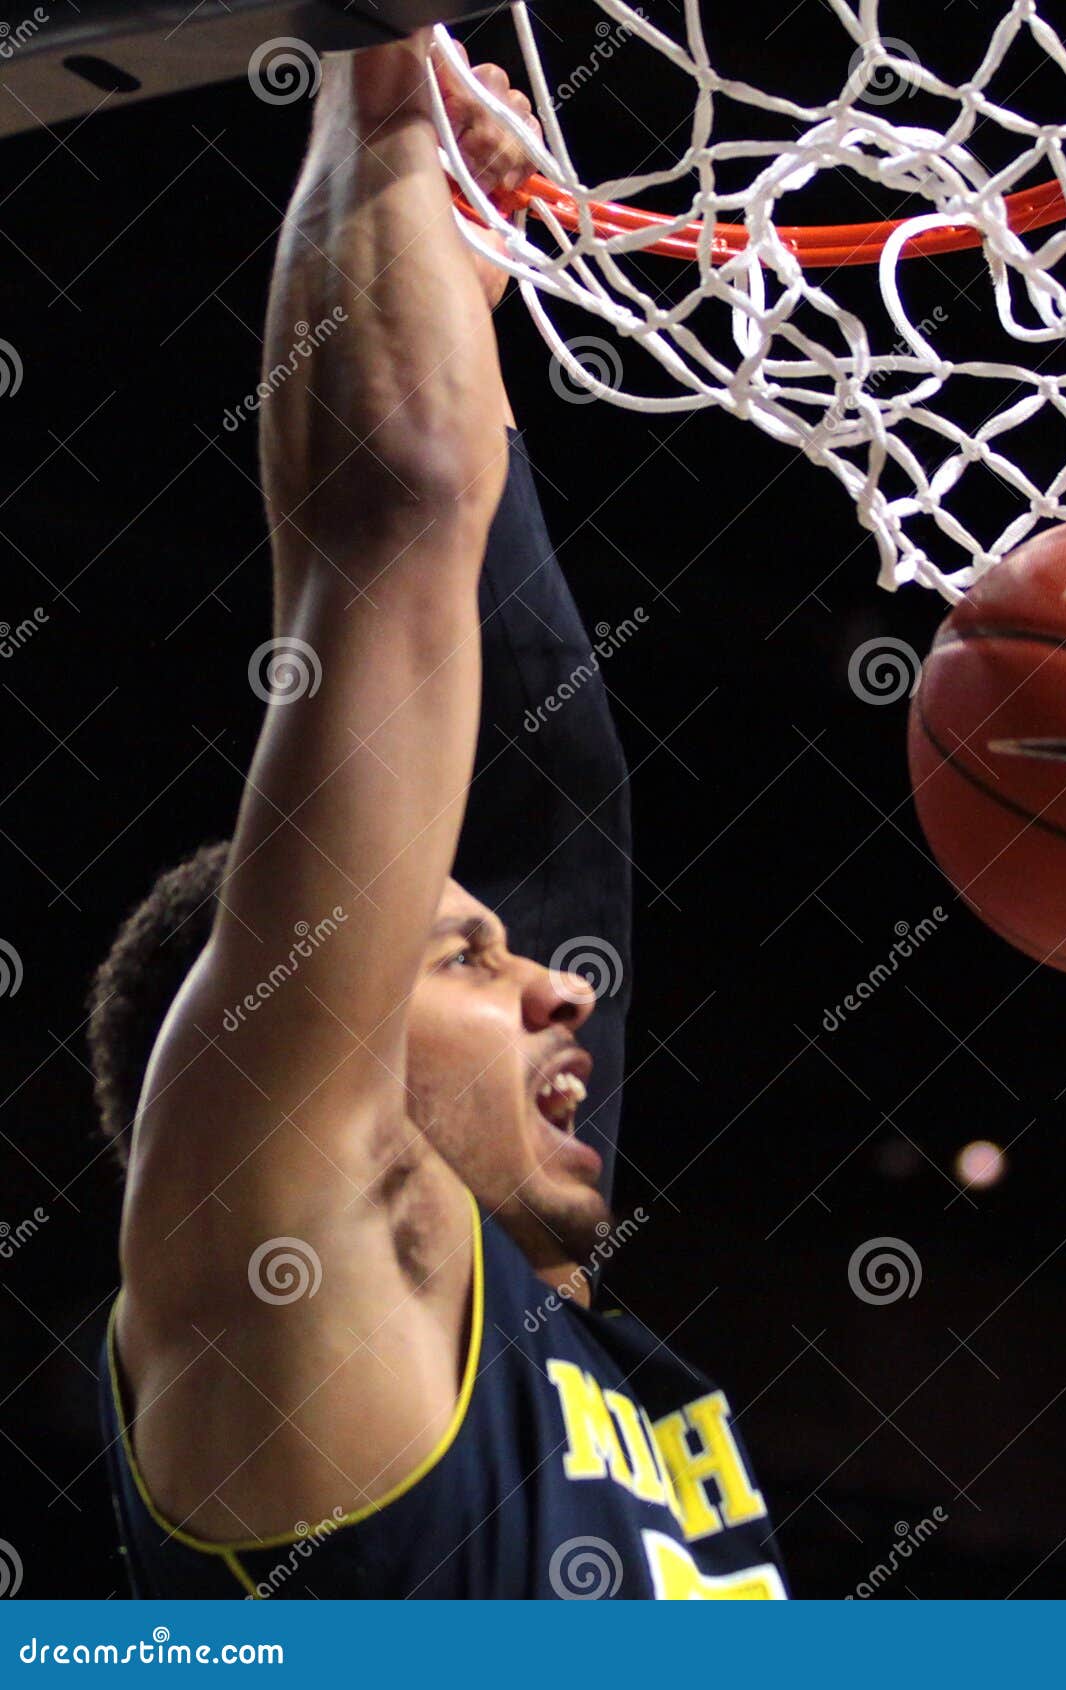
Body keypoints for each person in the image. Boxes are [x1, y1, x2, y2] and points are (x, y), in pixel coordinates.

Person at [89, 33, 787, 1601]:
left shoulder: (485, 1286)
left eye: (477, 955)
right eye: (474, 956)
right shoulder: (306, 1263)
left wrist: (426, 193)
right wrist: (377, 91)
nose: (566, 979)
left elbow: (534, 731)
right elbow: (392, 537)